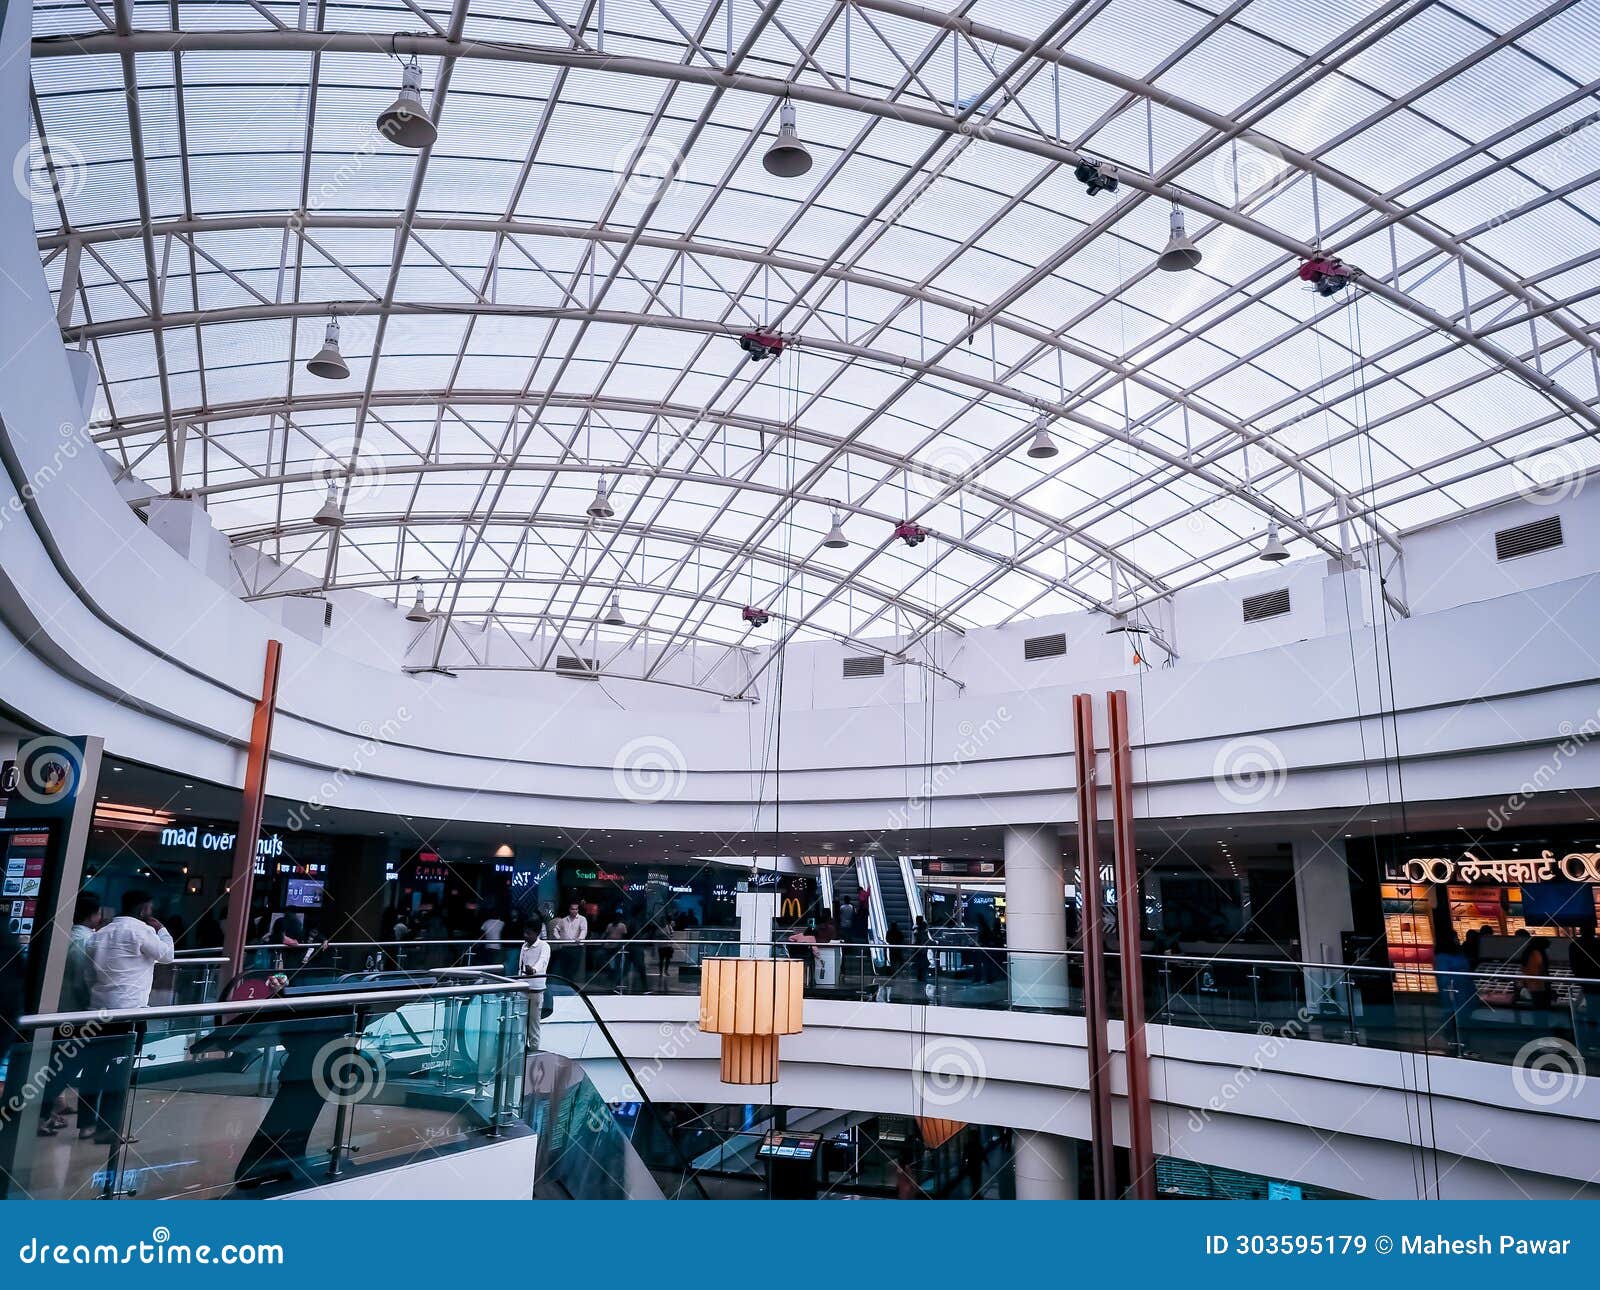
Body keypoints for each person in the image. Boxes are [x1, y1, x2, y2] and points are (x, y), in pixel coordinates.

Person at [82, 889, 174, 1144]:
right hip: (130, 1012)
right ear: (143, 908)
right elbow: (167, 956)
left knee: (93, 1067)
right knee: (120, 1070)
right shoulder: (142, 931)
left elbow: (88, 974)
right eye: (150, 908)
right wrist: (162, 930)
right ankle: (108, 1129)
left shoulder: (100, 934)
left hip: (98, 1009)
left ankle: (86, 1125)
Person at [38, 892, 103, 1135]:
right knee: (65, 1066)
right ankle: (41, 1114)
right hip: (75, 1013)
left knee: (57, 1064)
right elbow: (81, 982)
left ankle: (48, 1110)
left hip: (56, 1010)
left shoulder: (62, 936)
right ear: (93, 915)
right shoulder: (86, 942)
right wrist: (90, 1005)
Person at [517, 919, 550, 1051]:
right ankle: (520, 1050)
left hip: (536, 990)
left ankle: (533, 1050)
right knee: (520, 1023)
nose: (525, 935)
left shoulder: (544, 946)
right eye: (525, 932)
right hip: (522, 989)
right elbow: (520, 967)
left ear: (537, 933)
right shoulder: (524, 946)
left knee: (533, 1023)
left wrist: (534, 970)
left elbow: (542, 962)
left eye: (528, 933)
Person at [1570, 926, 1600, 1050]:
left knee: (1592, 1012)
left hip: (1586, 983)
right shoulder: (1597, 943)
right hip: (1595, 981)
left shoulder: (1574, 945)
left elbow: (1574, 966)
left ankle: (1592, 1040)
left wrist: (1581, 979)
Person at [549, 901, 588, 984]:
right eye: (572, 909)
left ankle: (570, 985)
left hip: (576, 947)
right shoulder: (563, 920)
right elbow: (555, 930)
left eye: (576, 909)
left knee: (574, 968)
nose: (574, 911)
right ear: (569, 910)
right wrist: (559, 939)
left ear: (578, 910)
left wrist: (580, 938)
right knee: (564, 968)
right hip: (565, 947)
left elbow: (584, 930)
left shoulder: (582, 919)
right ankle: (566, 985)